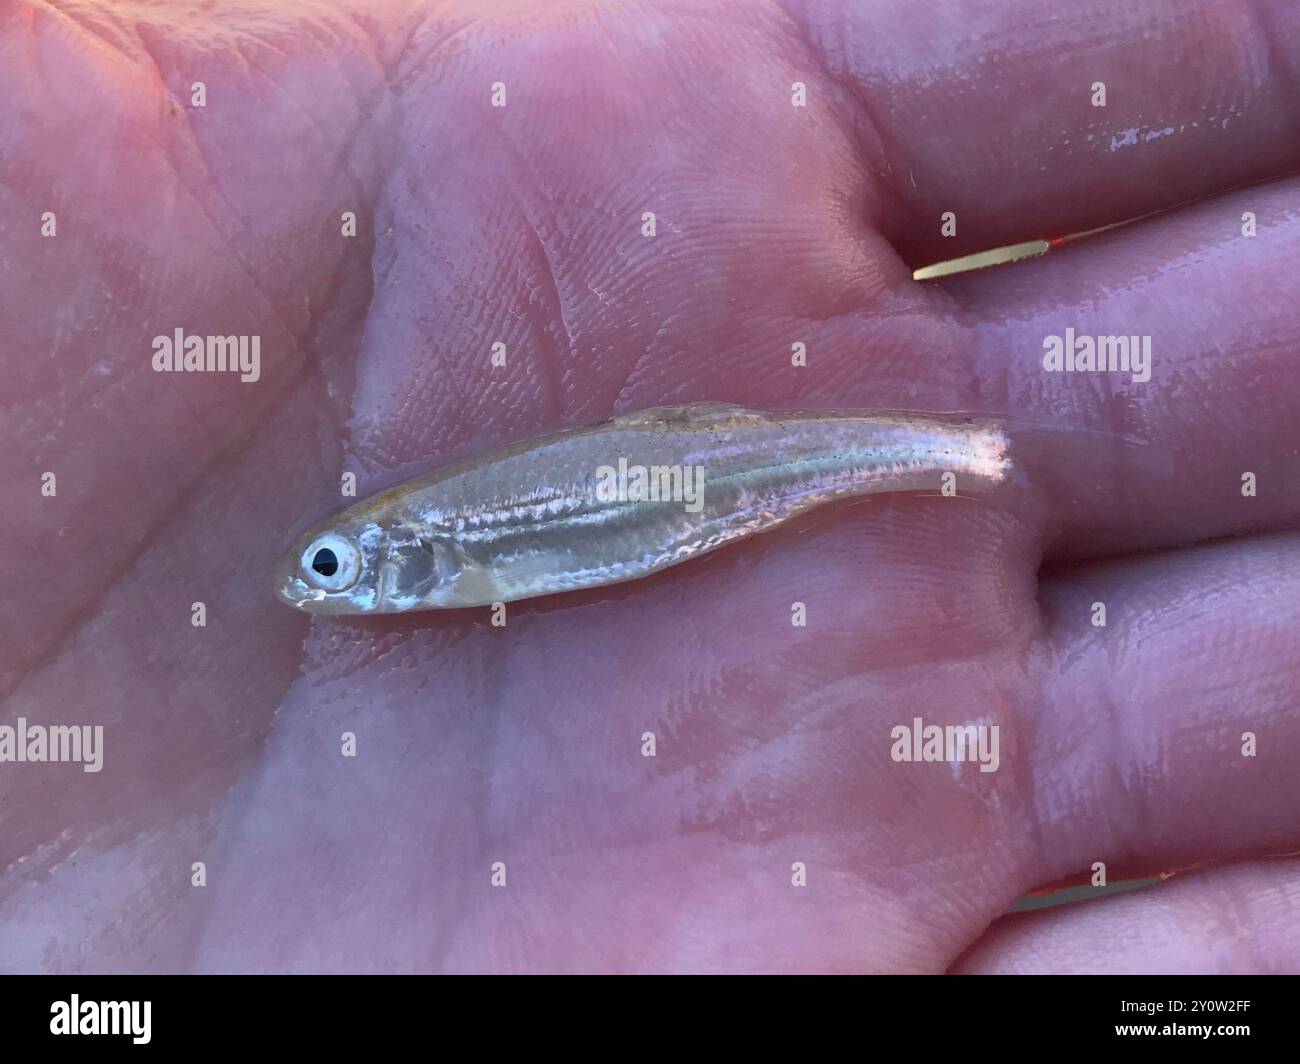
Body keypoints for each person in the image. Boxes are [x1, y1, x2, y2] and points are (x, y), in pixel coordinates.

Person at [3, 0, 1298, 973]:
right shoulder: (437, 559)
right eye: (331, 567)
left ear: (404, 550)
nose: (322, 583)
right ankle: (941, 454)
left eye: (335, 564)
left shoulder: (443, 553)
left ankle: (941, 455)